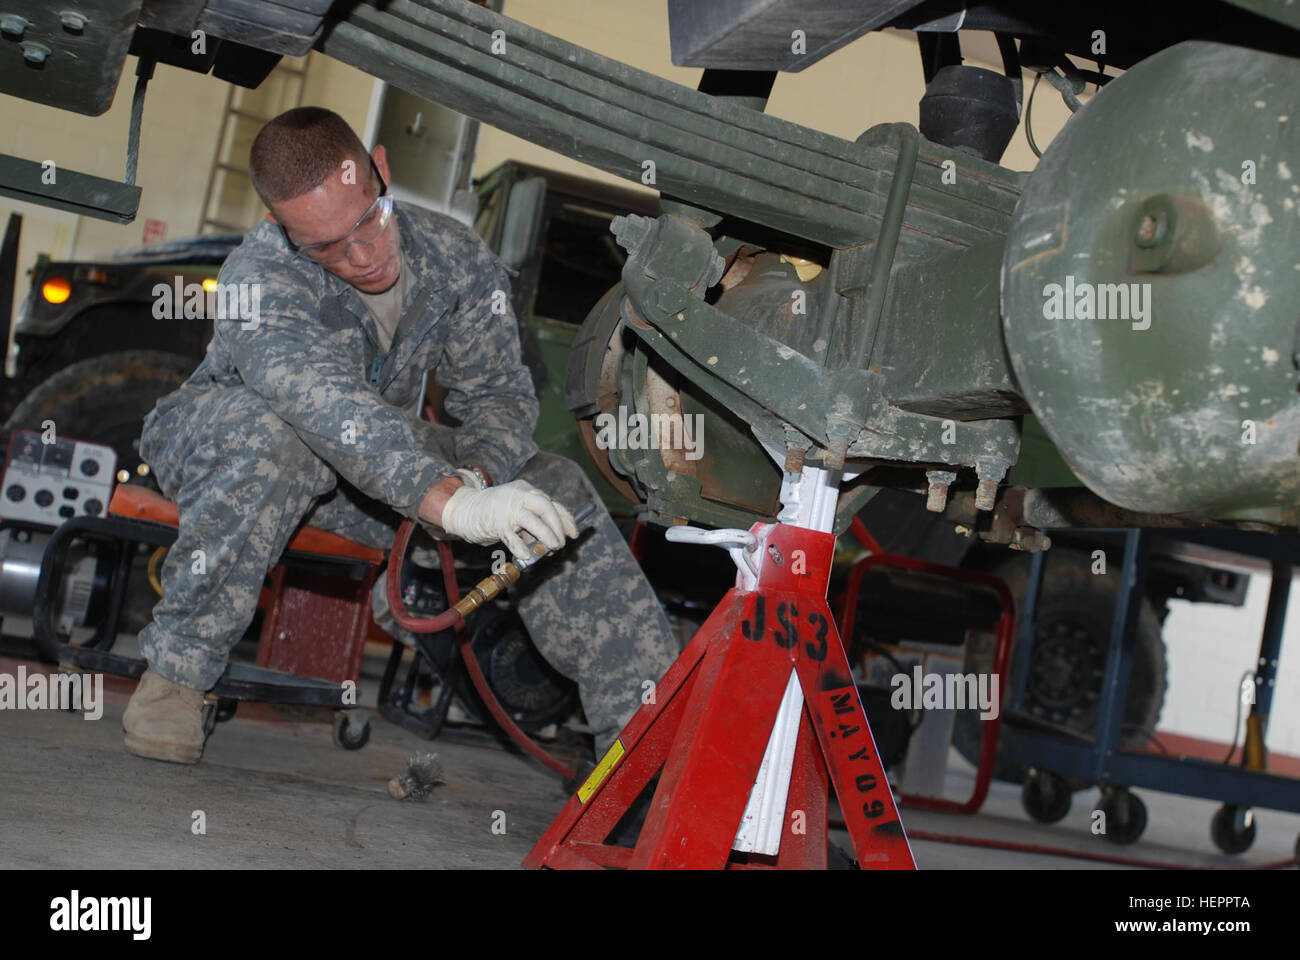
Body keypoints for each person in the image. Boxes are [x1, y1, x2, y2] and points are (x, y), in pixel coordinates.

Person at [122, 106, 679, 764]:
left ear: (381, 171)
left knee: (559, 486)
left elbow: (498, 393)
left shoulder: (455, 256)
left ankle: (645, 754)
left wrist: (481, 479)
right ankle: (177, 678)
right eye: (326, 247)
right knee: (275, 433)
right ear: (280, 226)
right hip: (227, 438)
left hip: (364, 475)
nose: (360, 257)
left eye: (365, 222)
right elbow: (322, 407)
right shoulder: (259, 277)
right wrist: (446, 500)